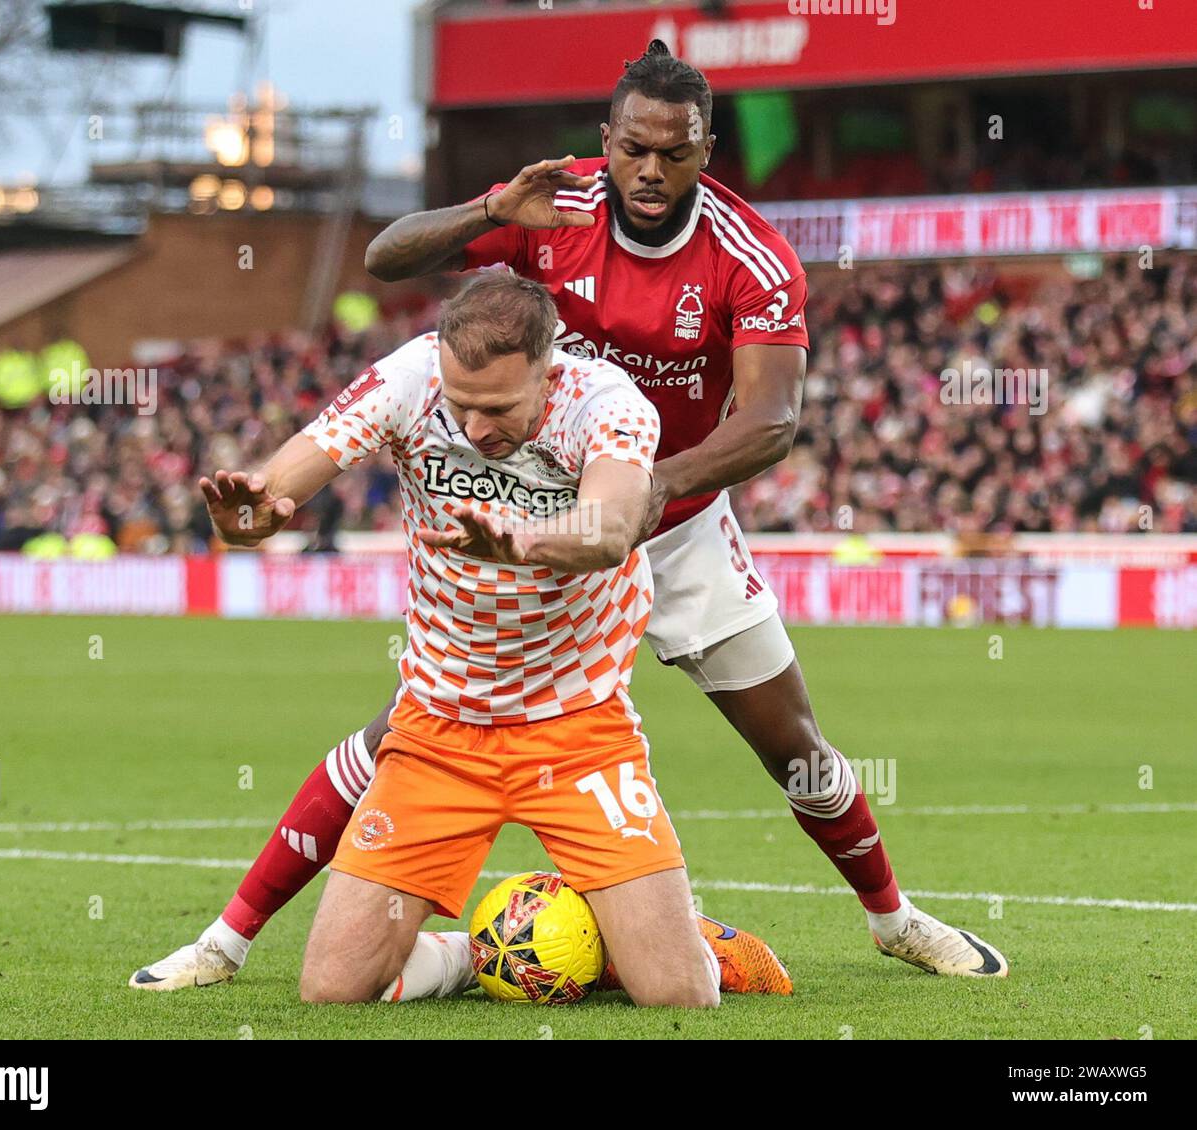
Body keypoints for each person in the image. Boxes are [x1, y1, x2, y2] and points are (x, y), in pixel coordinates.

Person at [134, 41, 1006, 991]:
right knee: (409, 727)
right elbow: (388, 260)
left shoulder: (750, 257)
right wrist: (489, 210)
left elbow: (770, 422)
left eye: (674, 153)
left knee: (790, 741)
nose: (650, 171)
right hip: (521, 518)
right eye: (634, 148)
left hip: (673, 516)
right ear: (606, 139)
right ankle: (228, 939)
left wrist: (637, 498)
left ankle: (894, 921)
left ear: (705, 151)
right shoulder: (557, 206)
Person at [135, 273, 789, 1003]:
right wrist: (248, 519)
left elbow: (612, 527)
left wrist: (524, 545)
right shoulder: (410, 377)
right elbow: (282, 482)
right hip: (440, 727)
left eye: (500, 408)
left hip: (578, 727)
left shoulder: (608, 403)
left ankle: (665, 941)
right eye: (462, 405)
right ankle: (470, 956)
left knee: (678, 995)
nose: (476, 429)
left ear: (548, 368)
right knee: (331, 989)